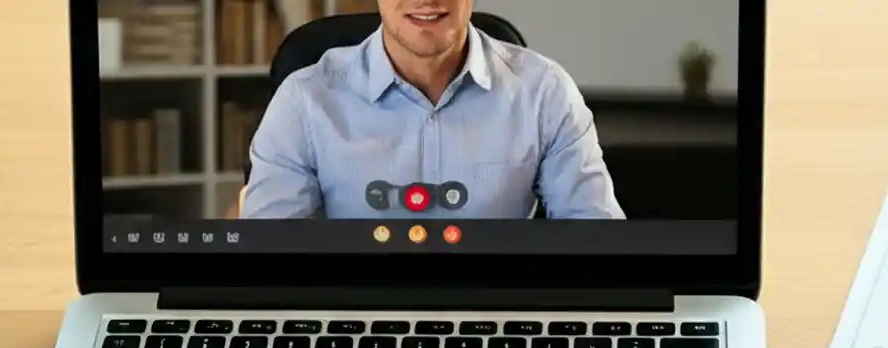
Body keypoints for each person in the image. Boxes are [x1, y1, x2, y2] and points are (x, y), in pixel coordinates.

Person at [241, 0, 624, 220]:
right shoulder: (303, 101)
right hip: (353, 328)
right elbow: (269, 262)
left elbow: (598, 243)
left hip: (500, 325)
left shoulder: (545, 92)